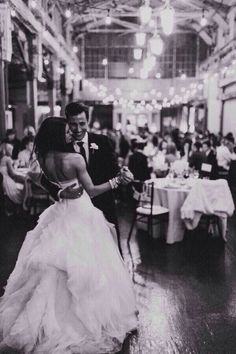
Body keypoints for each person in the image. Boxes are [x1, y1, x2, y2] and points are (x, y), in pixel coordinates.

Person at [0, 117, 138, 354]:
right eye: (66, 130)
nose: (70, 133)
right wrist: (117, 181)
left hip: (60, 209)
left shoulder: (43, 157)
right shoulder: (74, 158)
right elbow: (92, 191)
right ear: (57, 133)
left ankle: (47, 318)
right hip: (81, 211)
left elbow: (44, 182)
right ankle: (83, 320)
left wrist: (63, 191)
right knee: (88, 262)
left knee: (55, 264)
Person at [40, 102, 132, 256]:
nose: (77, 129)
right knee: (80, 256)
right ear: (67, 123)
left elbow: (113, 169)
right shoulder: (61, 146)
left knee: (111, 255)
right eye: (73, 124)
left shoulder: (102, 141)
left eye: (82, 123)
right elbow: (43, 178)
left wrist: (122, 173)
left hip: (103, 206)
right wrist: (61, 193)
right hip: (74, 214)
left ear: (87, 121)